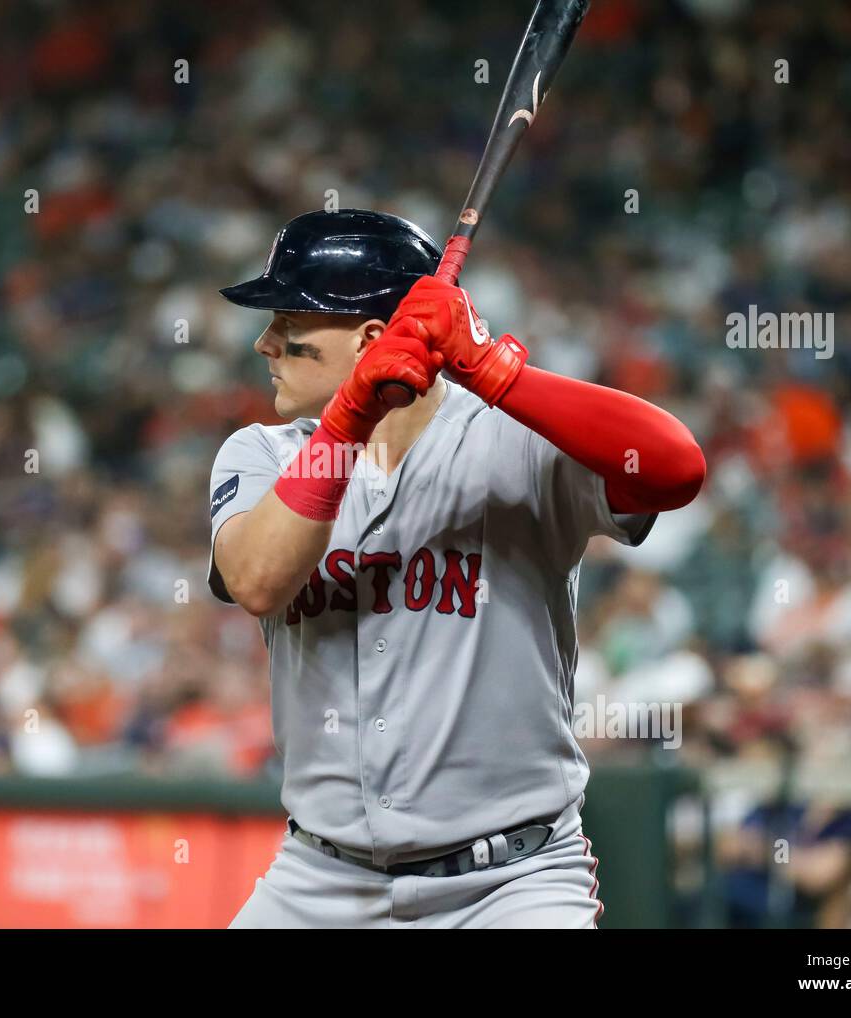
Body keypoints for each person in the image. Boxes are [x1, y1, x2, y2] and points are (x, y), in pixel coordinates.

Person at [207, 209, 706, 928]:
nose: (264, 343)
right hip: (321, 881)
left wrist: (495, 370)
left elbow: (676, 469)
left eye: (290, 324)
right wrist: (352, 416)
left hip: (510, 884)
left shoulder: (516, 442)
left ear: (371, 339)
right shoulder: (262, 454)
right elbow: (256, 580)